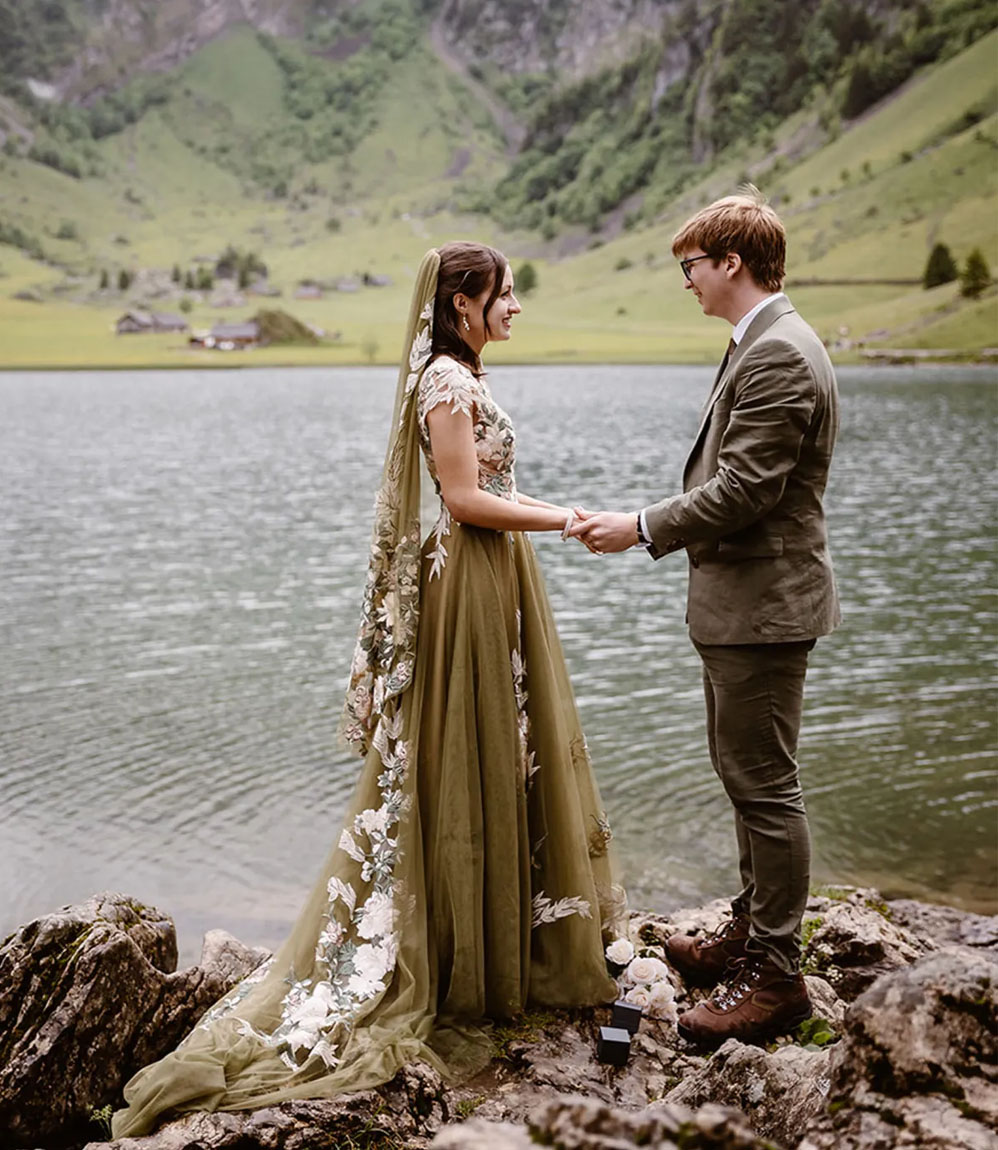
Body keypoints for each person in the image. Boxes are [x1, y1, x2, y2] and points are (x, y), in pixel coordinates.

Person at [111, 242, 628, 1137]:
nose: (516, 307)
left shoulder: (463, 376)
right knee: (469, 748)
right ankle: (467, 958)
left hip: (494, 572)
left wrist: (541, 521)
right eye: (505, 294)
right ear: (463, 303)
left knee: (504, 743)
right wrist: (563, 518)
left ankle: (503, 936)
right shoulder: (445, 383)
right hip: (472, 574)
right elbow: (463, 499)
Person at [570, 187, 839, 1047]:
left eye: (690, 264)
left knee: (767, 786)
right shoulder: (761, 341)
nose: (685, 280)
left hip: (765, 606)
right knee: (745, 774)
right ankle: (751, 933)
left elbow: (746, 490)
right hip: (745, 604)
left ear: (731, 261)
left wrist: (641, 526)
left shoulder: (780, 352)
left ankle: (776, 976)